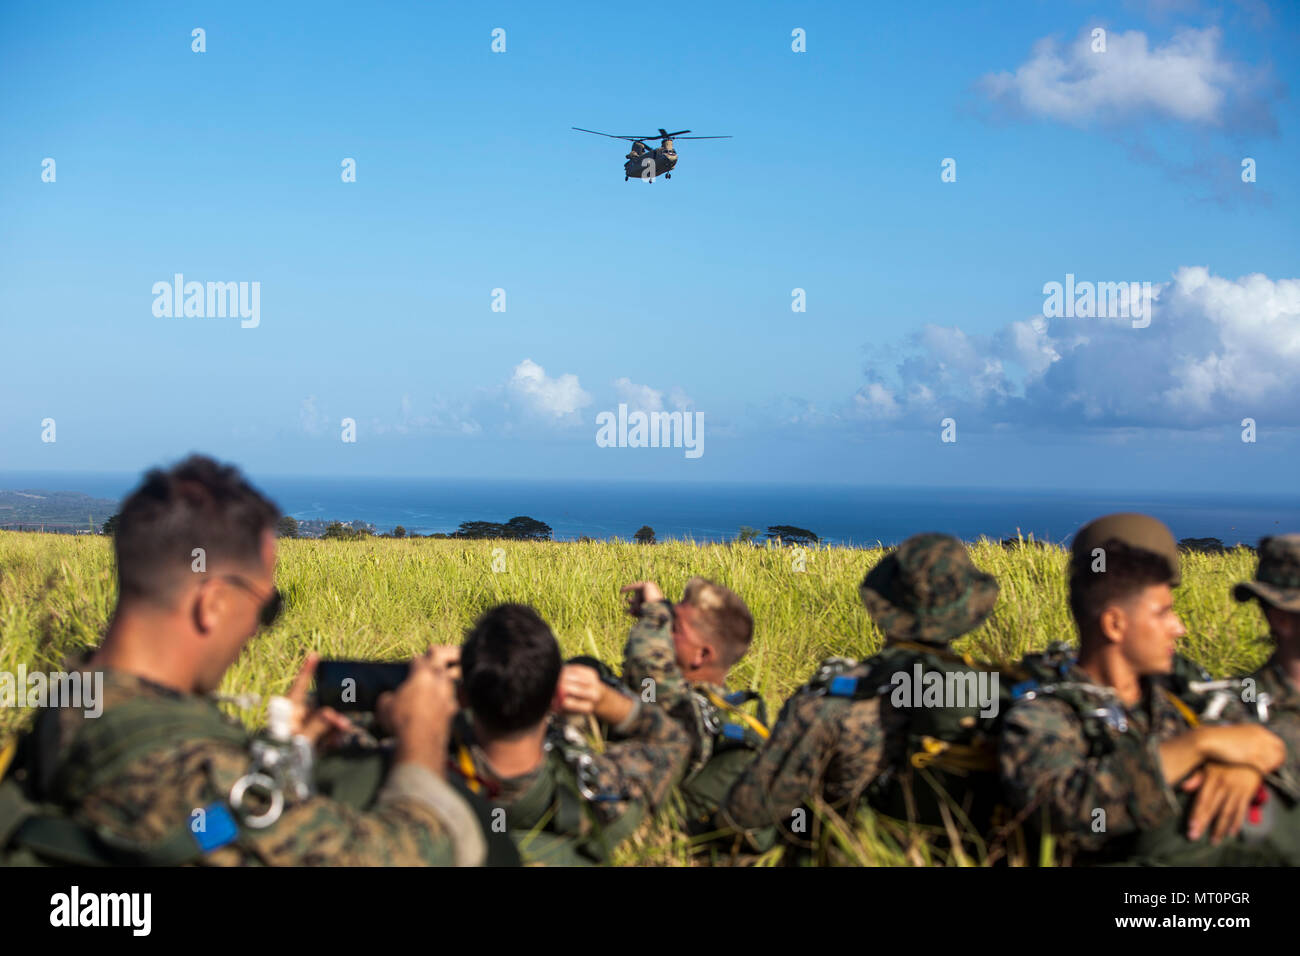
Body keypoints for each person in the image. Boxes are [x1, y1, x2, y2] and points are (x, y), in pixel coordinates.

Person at [0, 455, 486, 866]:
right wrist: (421, 743)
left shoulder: (71, 704)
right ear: (212, 604)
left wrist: (289, 753)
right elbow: (407, 854)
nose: (257, 632)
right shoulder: (199, 774)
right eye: (265, 608)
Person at [999, 513, 1290, 865]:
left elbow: (1259, 737)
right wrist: (1197, 747)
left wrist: (1240, 770)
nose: (1179, 628)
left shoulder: (1180, 689)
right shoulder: (1044, 713)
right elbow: (1064, 804)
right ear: (1115, 625)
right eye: (1162, 613)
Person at [720, 533, 1012, 857]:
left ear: (880, 609)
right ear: (970, 613)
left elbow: (745, 811)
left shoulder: (831, 704)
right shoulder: (1005, 699)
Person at [445, 603, 691, 865]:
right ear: (558, 696)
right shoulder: (598, 790)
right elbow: (673, 742)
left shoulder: (412, 779)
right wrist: (606, 701)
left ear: (462, 696)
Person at [619, 578, 770, 847]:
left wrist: (656, 609)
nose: (664, 633)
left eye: (674, 628)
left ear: (701, 655)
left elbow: (645, 667)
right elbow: (647, 684)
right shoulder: (669, 695)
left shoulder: (688, 709)